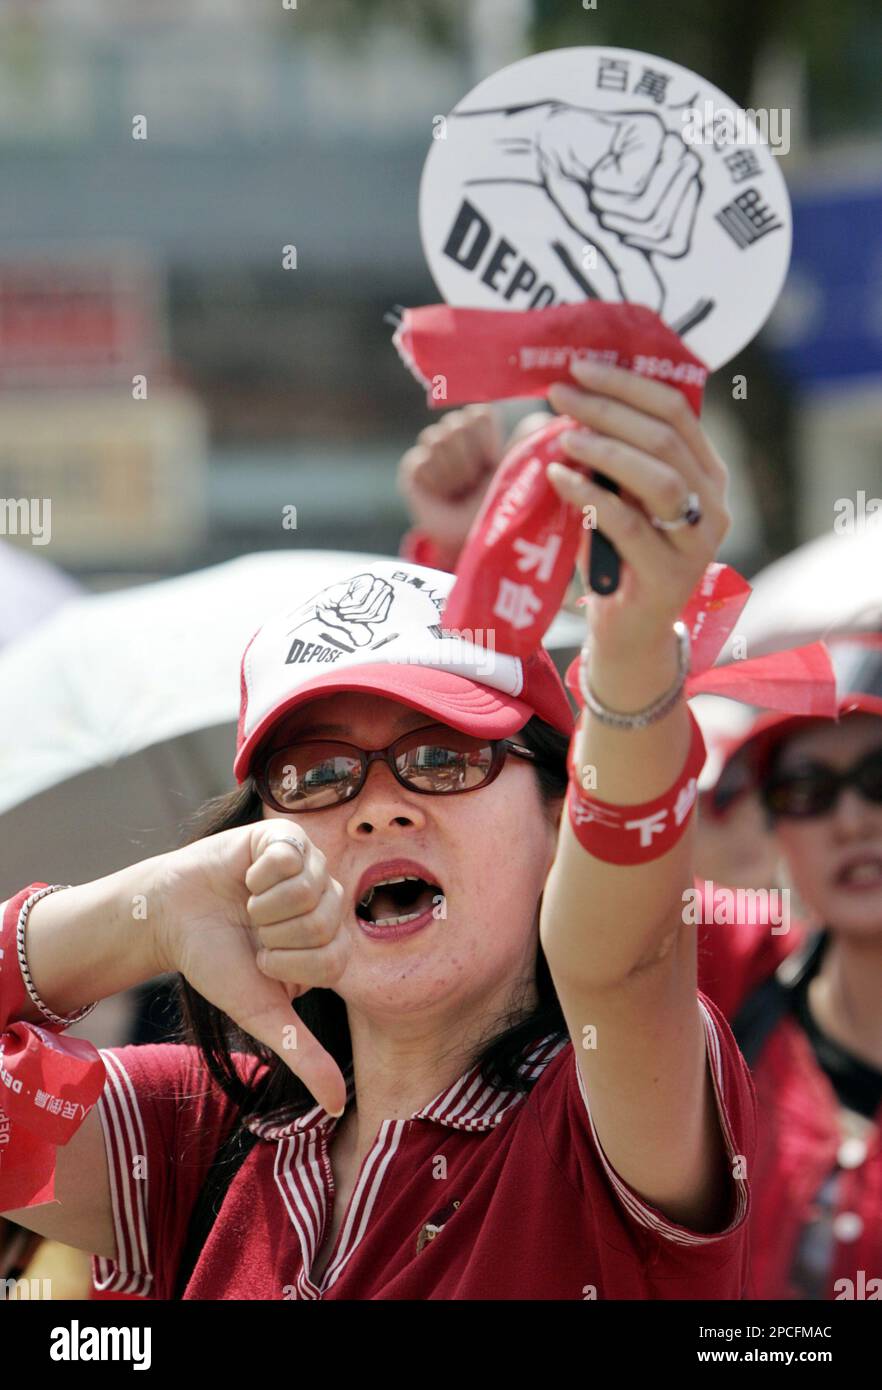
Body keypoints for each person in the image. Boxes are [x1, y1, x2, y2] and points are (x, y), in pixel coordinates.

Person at [1, 361, 754, 1300]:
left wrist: (636, 639)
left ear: (561, 820)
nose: (377, 805)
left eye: (446, 758)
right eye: (317, 775)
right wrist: (141, 911)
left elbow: (621, 957)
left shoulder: (602, 1121)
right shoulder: (191, 1134)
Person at [696, 662, 882, 1299]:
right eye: (806, 791)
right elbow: (610, 898)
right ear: (775, 831)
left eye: (878, 779)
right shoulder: (747, 962)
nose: (851, 821)